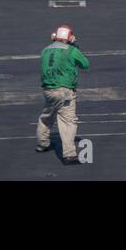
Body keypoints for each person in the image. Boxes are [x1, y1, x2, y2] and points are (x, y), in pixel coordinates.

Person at [36, 24, 89, 165]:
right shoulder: (71, 50)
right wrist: (75, 46)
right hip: (64, 90)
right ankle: (69, 155)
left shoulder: (45, 50)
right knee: (68, 121)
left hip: (48, 90)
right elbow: (85, 64)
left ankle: (42, 144)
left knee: (47, 116)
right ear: (70, 37)